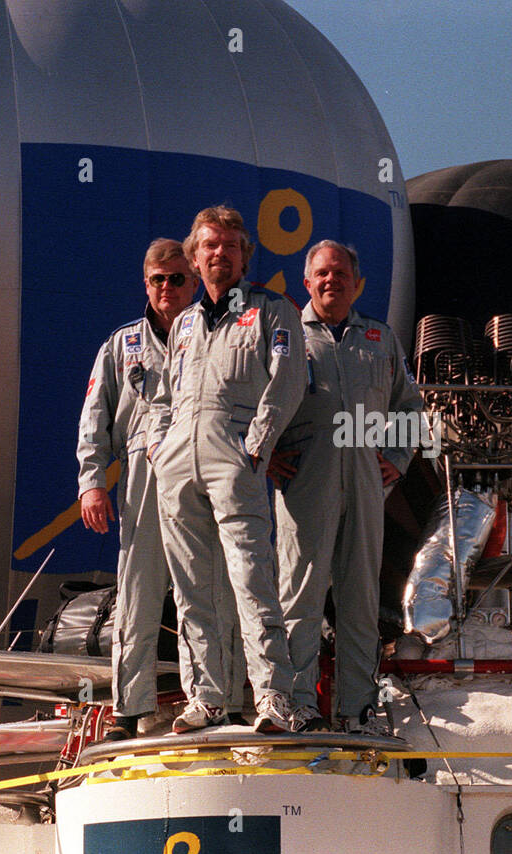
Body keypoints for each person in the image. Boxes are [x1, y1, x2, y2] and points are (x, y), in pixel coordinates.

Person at [147, 206, 306, 733]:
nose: (221, 254)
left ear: (244, 256)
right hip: (177, 460)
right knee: (190, 585)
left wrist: (256, 447)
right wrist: (157, 444)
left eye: (231, 246)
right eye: (210, 246)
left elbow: (287, 381)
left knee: (251, 577)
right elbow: (165, 393)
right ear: (194, 257)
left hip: (232, 452)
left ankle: (274, 698)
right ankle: (207, 698)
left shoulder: (271, 310)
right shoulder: (185, 323)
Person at [270, 241, 423, 734]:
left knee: (360, 602)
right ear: (306, 283)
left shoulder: (380, 338)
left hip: (364, 483)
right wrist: (267, 453)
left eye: (340, 272)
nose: (331, 280)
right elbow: (252, 403)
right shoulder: (286, 335)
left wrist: (396, 461)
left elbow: (410, 411)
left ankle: (357, 710)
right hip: (305, 481)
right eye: (321, 273)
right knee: (300, 598)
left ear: (357, 282)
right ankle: (297, 706)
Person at [77, 238, 198, 741]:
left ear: (192, 282)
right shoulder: (122, 345)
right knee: (138, 591)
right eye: (157, 279)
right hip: (143, 476)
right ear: (145, 284)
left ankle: (208, 701)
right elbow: (95, 417)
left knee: (202, 590)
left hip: (198, 469)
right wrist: (91, 482)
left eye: (176, 278)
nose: (166, 288)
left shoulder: (212, 335)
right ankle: (129, 709)